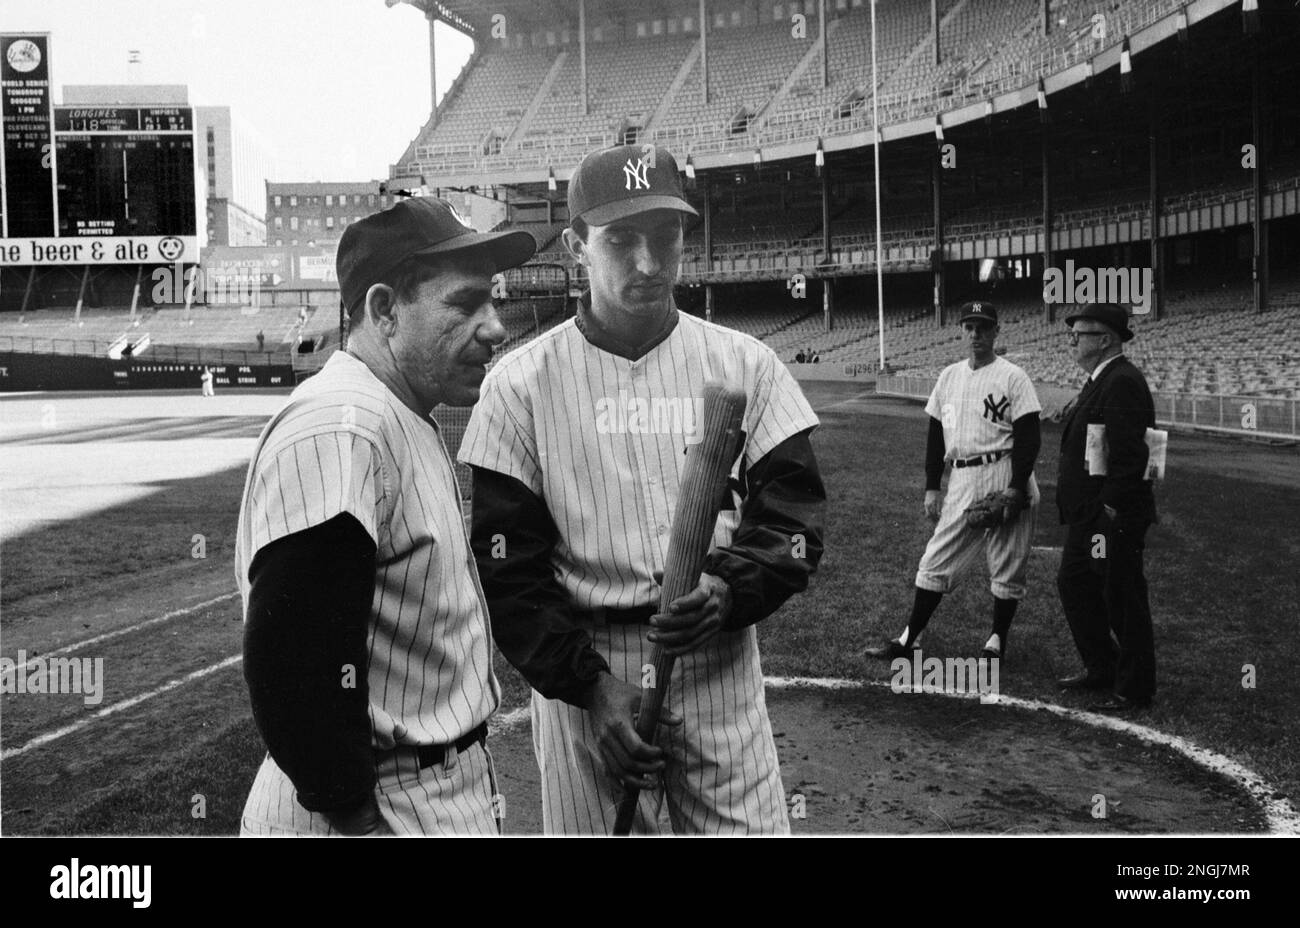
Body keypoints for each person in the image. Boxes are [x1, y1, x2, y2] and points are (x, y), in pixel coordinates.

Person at [459, 143, 826, 835]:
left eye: (666, 237)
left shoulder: (748, 366)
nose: (650, 263)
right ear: (576, 245)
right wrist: (593, 689)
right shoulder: (518, 387)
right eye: (622, 240)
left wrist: (728, 587)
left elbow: (795, 522)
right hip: (587, 673)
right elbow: (511, 574)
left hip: (715, 659)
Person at [233, 197, 535, 835]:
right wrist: (356, 817)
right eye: (465, 304)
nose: (496, 328)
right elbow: (293, 661)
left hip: (423, 789)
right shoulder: (343, 426)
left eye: (494, 302)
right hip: (376, 808)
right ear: (383, 309)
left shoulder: (394, 411)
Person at [863, 301, 1042, 664]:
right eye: (970, 327)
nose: (976, 334)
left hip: (1005, 468)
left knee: (1007, 562)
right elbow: (934, 436)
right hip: (962, 475)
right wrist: (933, 486)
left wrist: (1017, 485)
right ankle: (909, 640)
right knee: (934, 559)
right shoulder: (949, 376)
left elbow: (1029, 437)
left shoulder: (1013, 377)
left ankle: (996, 641)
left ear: (995, 331)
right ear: (962, 331)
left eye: (984, 327)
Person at [1055, 303, 1157, 713]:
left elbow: (1132, 458)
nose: (1073, 341)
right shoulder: (1103, 379)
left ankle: (1135, 689)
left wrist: (1109, 511)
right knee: (1076, 583)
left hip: (1108, 518)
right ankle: (1103, 666)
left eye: (1079, 334)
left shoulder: (1122, 382)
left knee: (1121, 595)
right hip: (1090, 517)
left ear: (1104, 339)